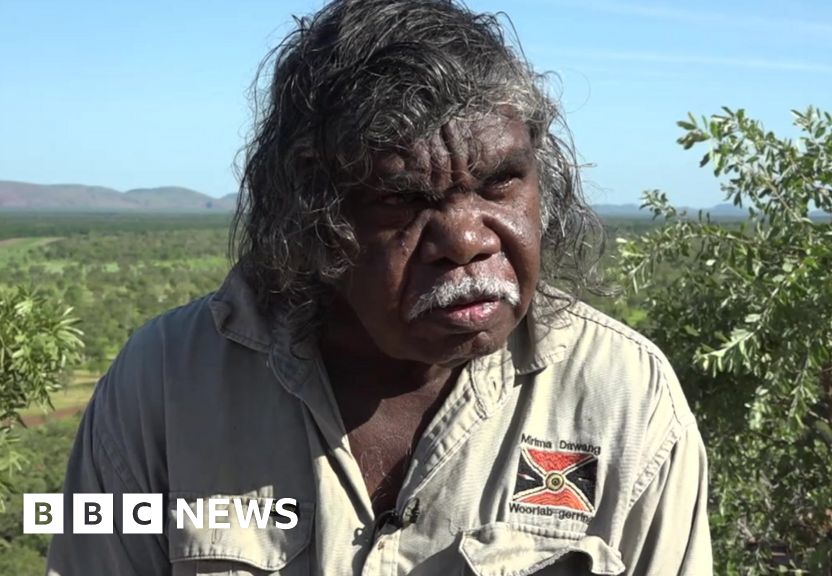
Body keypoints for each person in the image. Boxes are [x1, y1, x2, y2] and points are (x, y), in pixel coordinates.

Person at [45, 0, 712, 574]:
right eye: (399, 198)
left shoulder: (625, 398)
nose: (467, 240)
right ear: (310, 210)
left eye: (500, 183)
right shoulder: (164, 383)